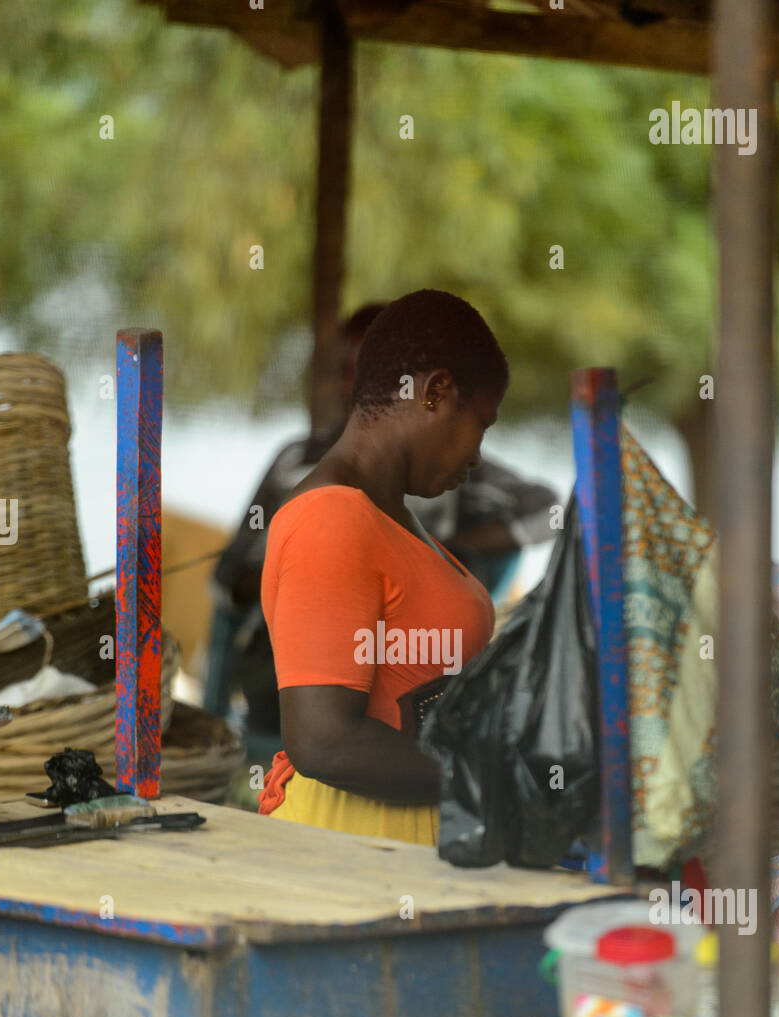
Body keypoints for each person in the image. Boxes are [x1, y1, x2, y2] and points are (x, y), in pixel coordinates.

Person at [207, 303, 556, 751]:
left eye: (367, 369)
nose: (352, 384)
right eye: (346, 370)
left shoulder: (434, 479)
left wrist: (446, 550)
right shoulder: (300, 470)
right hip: (278, 671)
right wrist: (297, 577)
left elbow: (547, 512)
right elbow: (226, 578)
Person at [258, 288, 509, 844]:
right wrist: (496, 777)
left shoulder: (387, 517)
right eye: (481, 425)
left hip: (401, 848)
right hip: (348, 851)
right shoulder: (331, 519)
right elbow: (324, 741)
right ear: (436, 392)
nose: (476, 456)